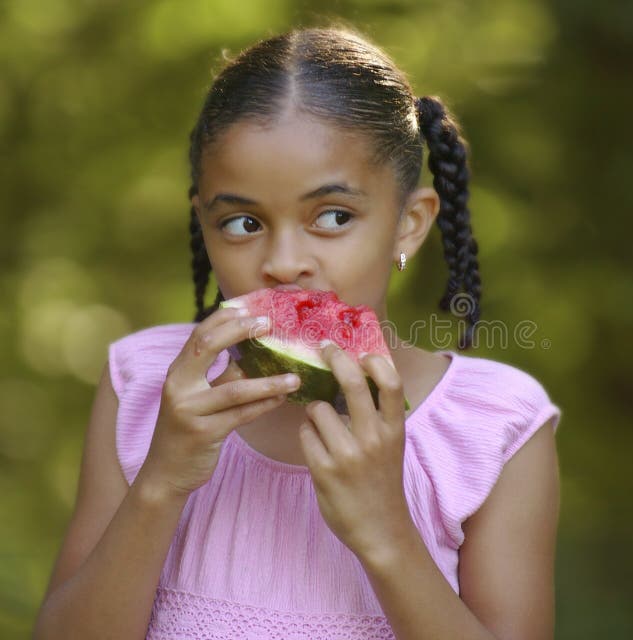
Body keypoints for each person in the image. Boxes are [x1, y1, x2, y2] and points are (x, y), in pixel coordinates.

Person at [33, 24, 562, 640]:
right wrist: (161, 482)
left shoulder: (493, 429)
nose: (284, 263)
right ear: (204, 226)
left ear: (409, 224)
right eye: (242, 223)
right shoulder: (144, 386)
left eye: (333, 217)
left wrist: (387, 532)